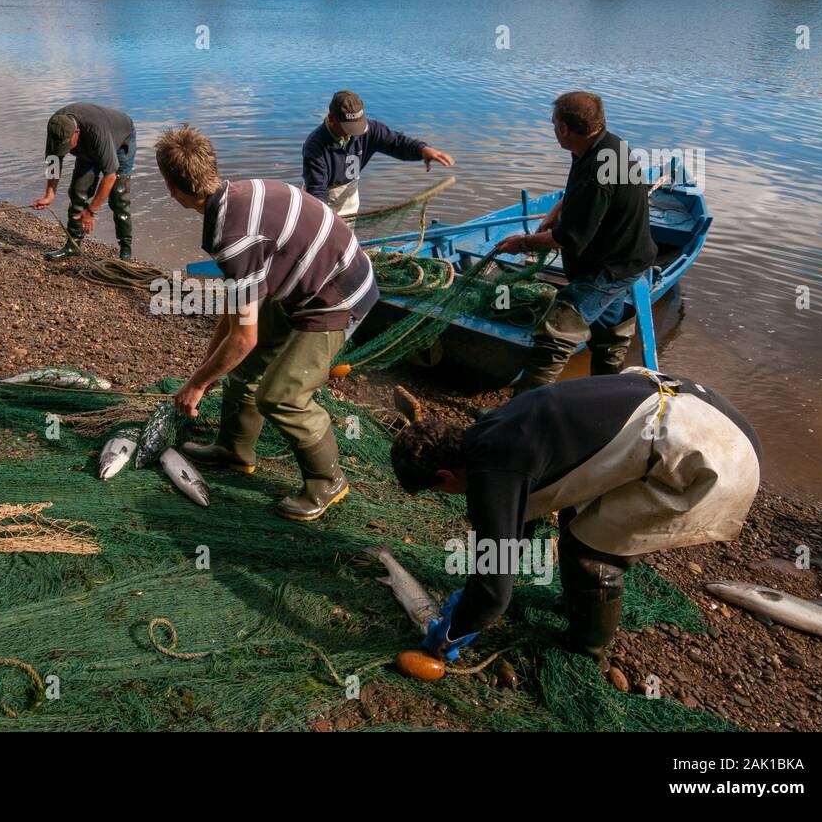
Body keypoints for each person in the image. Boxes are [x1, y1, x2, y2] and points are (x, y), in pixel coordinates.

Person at [389, 370, 761, 667]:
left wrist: (455, 630)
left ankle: (586, 652)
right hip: (699, 403)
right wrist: (477, 592)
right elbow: (517, 525)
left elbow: (494, 589)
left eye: (440, 492)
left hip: (713, 451)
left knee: (590, 549)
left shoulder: (493, 474)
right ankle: (580, 604)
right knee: (576, 512)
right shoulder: (491, 432)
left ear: (443, 477)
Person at [156, 125, 378, 522]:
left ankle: (328, 482)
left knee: (281, 396)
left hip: (337, 297)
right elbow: (237, 309)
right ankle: (235, 450)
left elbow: (244, 337)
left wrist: (197, 384)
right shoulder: (239, 193)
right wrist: (205, 370)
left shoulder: (234, 238)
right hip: (304, 285)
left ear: (171, 188)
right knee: (240, 367)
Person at [493, 92, 656, 392]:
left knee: (555, 333)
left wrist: (524, 243)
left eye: (554, 124)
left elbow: (567, 238)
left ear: (565, 129)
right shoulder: (607, 146)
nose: (553, 129)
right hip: (626, 258)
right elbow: (581, 194)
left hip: (609, 269)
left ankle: (520, 415)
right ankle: (607, 396)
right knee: (609, 335)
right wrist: (558, 208)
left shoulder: (596, 172)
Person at [301, 90, 454, 218]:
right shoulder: (315, 146)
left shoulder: (368, 131)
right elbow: (317, 190)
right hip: (322, 204)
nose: (352, 134)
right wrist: (323, 217)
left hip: (350, 201)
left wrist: (422, 150)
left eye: (356, 127)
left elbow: (397, 143)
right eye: (347, 129)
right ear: (332, 119)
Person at [33, 102, 136, 261]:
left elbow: (110, 176)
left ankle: (125, 252)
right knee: (77, 192)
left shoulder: (97, 131)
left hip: (121, 140)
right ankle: (73, 245)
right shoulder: (55, 126)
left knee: (118, 197)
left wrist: (91, 211)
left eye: (67, 146)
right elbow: (53, 160)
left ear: (77, 132)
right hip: (88, 147)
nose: (64, 150)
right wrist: (49, 194)